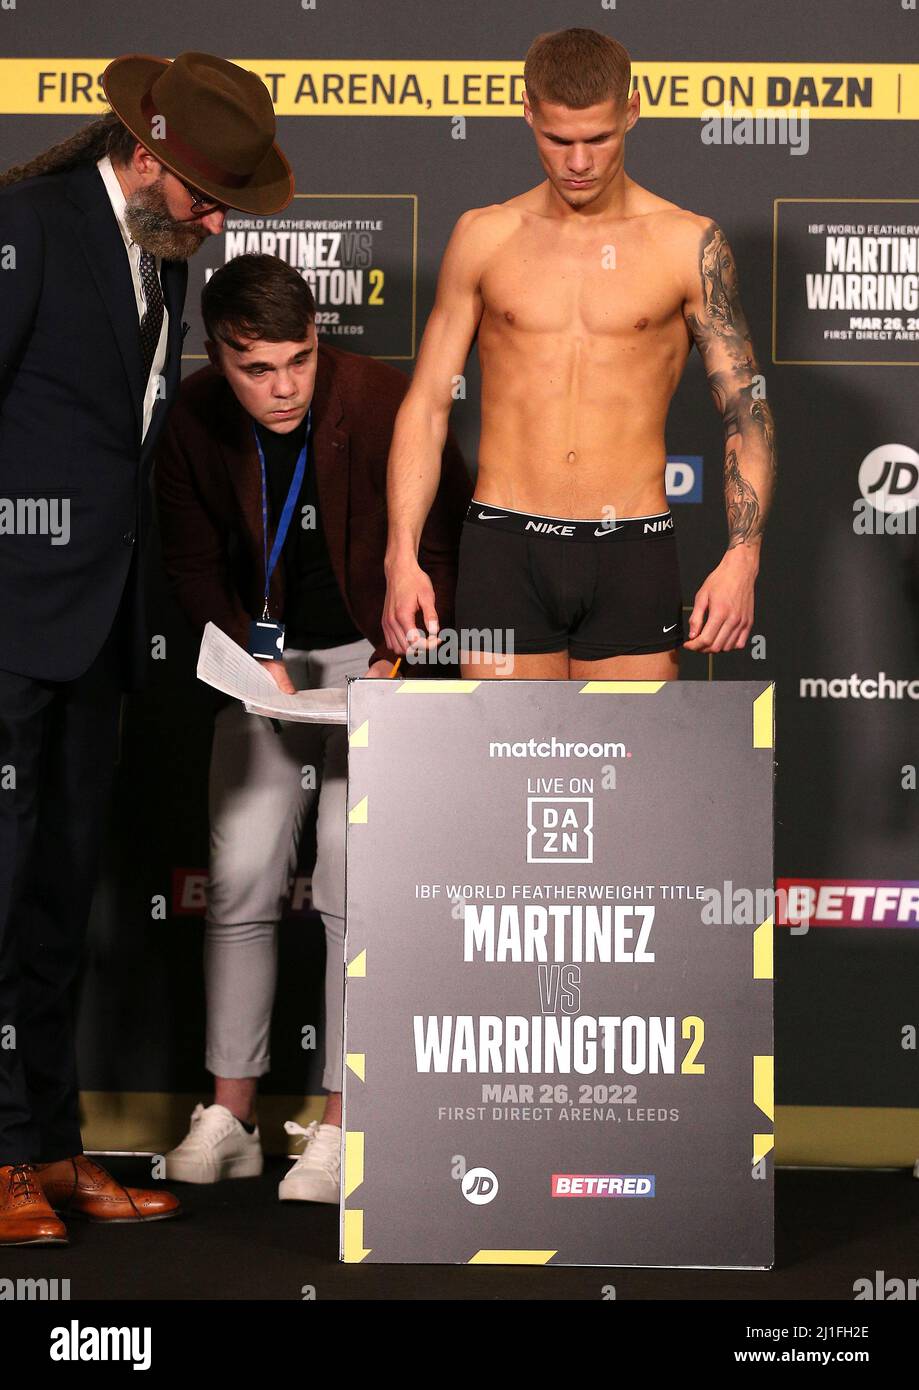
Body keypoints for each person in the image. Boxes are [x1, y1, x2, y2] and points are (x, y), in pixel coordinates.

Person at [0, 52, 293, 1245]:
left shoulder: (160, 258)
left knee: (61, 903)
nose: (221, 219)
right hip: (12, 626)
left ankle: (49, 1149)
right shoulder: (29, 226)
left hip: (98, 629)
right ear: (154, 156)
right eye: (212, 193)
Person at [154, 253, 470, 1202]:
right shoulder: (194, 419)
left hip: (375, 660)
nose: (284, 386)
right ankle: (232, 1115)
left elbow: (448, 542)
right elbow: (190, 561)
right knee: (243, 872)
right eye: (258, 368)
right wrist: (246, 652)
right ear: (219, 357)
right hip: (262, 669)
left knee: (346, 876)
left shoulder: (381, 400)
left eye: (299, 359)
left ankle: (340, 1121)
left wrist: (401, 651)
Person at [382, 27, 776, 680]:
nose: (578, 162)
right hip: (504, 544)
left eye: (598, 139)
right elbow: (425, 407)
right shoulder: (485, 236)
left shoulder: (686, 244)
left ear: (631, 111)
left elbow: (744, 410)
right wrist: (401, 556)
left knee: (634, 774)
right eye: (558, 140)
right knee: (507, 769)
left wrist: (742, 558)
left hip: (631, 548)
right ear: (528, 112)